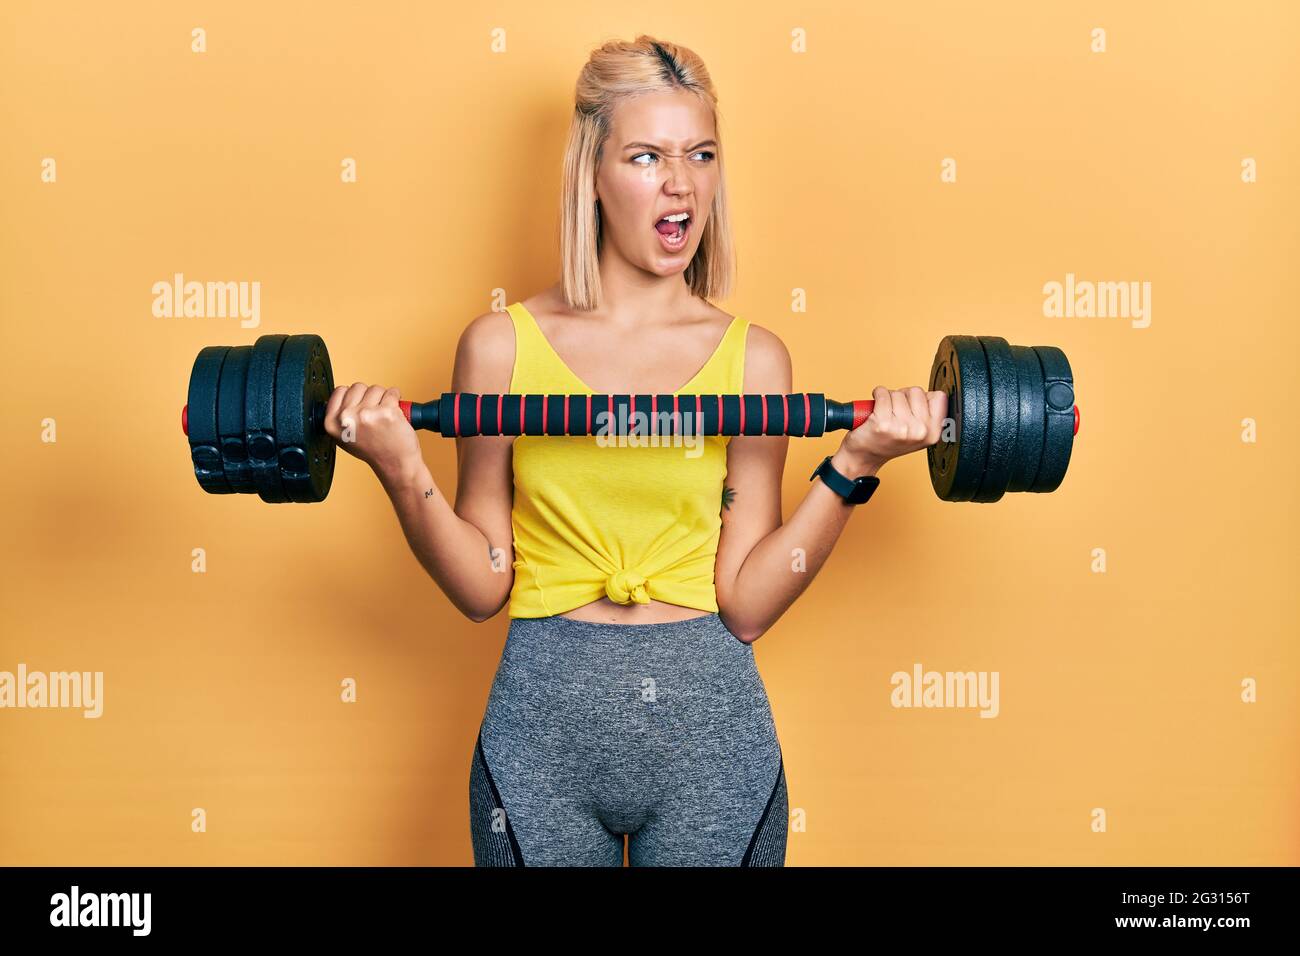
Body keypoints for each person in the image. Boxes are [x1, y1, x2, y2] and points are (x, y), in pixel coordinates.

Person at [322, 35, 946, 866]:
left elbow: (749, 602)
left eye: (700, 154)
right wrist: (402, 471)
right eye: (647, 156)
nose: (679, 183)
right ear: (592, 174)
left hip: (710, 742)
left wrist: (855, 463)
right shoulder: (501, 349)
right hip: (540, 737)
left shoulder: (755, 362)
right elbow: (482, 586)